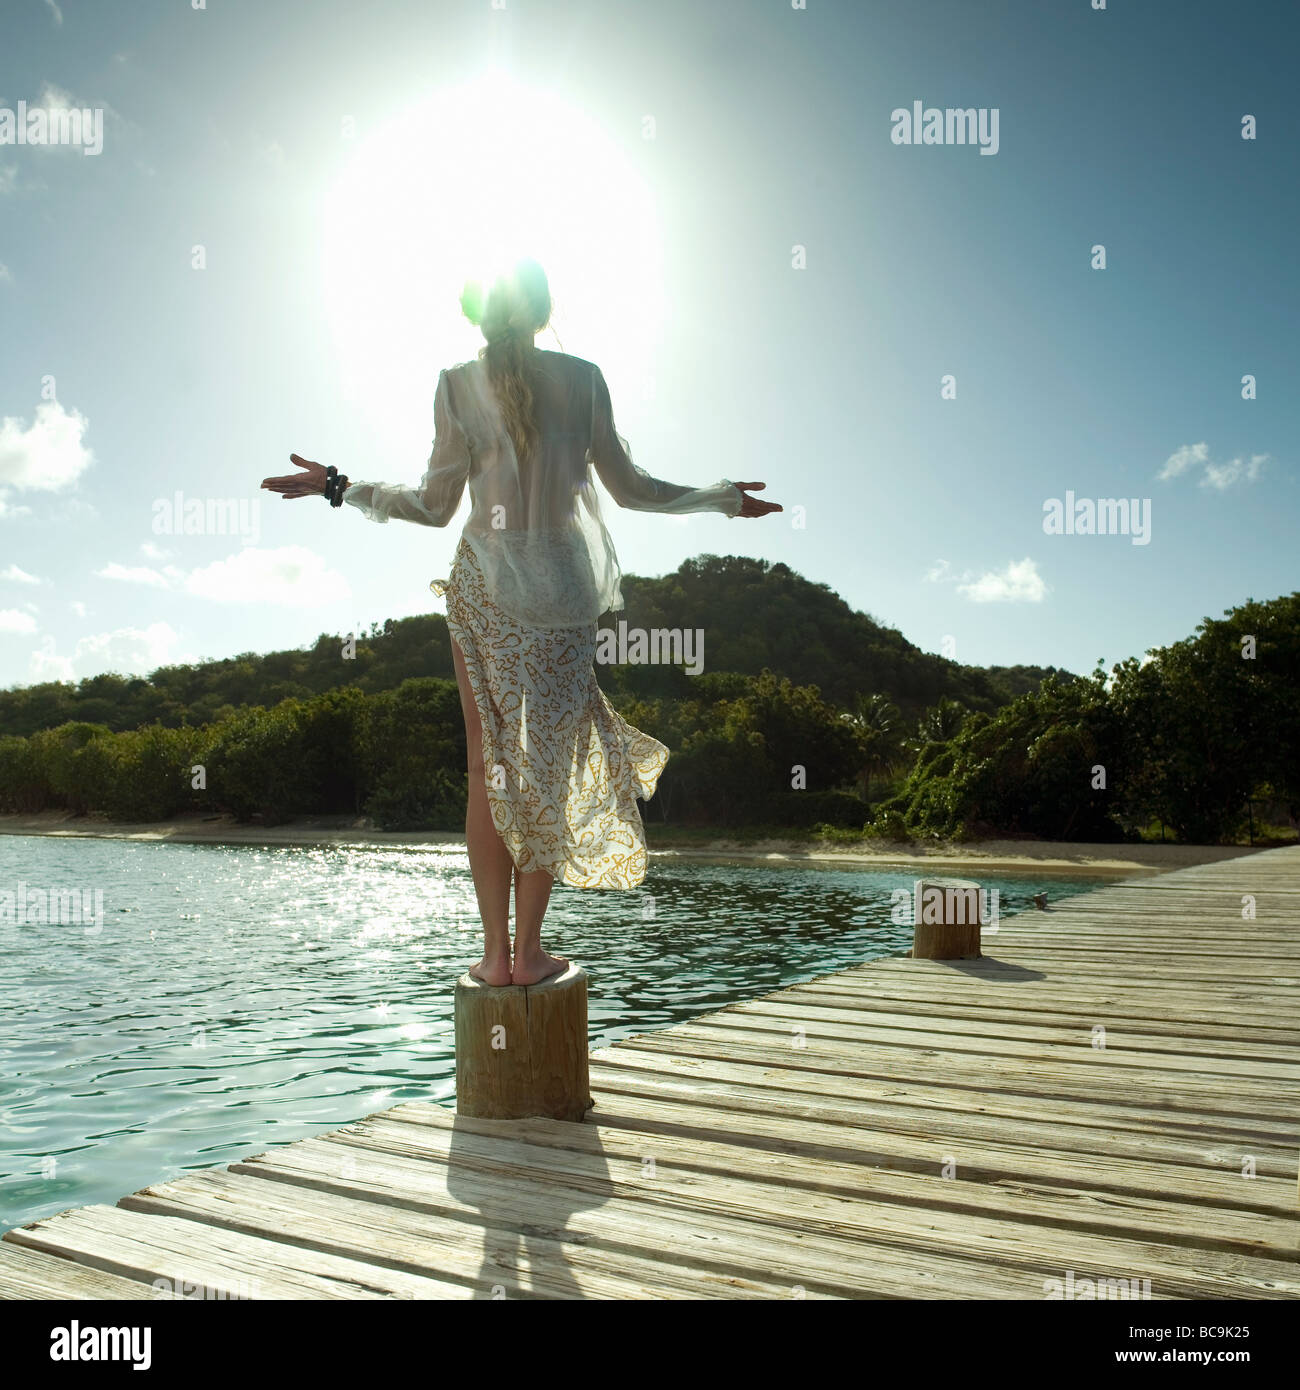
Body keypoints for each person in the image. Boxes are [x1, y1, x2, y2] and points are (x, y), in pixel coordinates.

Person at [261, 259, 781, 986]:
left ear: (477, 315)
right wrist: (720, 497)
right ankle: (530, 952)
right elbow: (631, 492)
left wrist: (339, 487)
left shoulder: (454, 384)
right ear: (543, 309)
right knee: (545, 771)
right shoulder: (585, 378)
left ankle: (493, 956)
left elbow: (433, 506)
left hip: (486, 585)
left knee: (486, 768)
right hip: (562, 591)